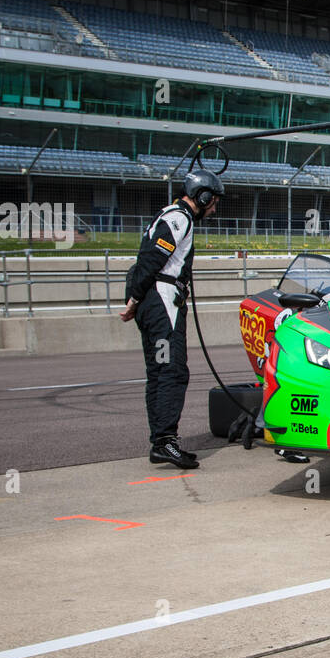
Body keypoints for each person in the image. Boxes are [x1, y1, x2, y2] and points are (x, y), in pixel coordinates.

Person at [120, 170, 225, 468]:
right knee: (171, 371)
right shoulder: (180, 218)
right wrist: (135, 299)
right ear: (202, 197)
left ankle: (162, 441)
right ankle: (165, 441)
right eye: (213, 202)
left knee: (159, 371)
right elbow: (152, 259)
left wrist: (137, 300)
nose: (214, 209)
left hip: (155, 302)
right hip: (162, 303)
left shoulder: (171, 214)